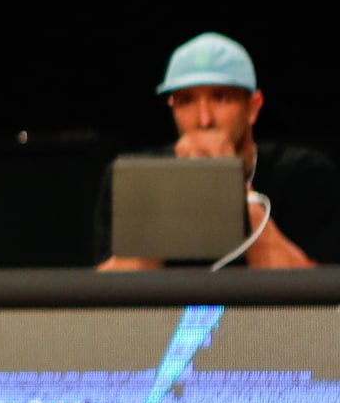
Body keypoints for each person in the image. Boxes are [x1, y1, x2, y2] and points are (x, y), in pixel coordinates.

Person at [97, 33, 338, 270]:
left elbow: (314, 291)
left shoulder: (303, 173)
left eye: (221, 98)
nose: (204, 120)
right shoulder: (133, 178)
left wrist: (234, 189)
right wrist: (166, 199)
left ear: (253, 108)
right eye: (186, 100)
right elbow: (107, 291)